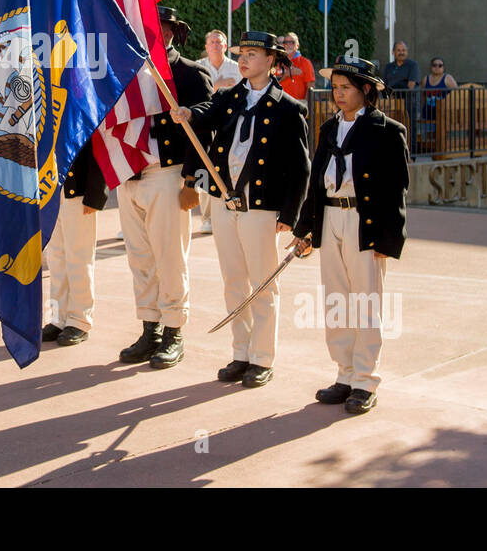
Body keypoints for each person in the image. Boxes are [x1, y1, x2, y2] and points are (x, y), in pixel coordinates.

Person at [174, 32, 310, 388]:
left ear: (272, 61)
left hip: (261, 208)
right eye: (243, 54)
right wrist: (189, 111)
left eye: (252, 54)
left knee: (262, 284)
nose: (245, 60)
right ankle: (241, 353)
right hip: (224, 202)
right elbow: (209, 112)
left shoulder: (288, 108)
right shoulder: (231, 96)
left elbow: (301, 169)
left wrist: (289, 216)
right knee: (234, 280)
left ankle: (263, 358)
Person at [291, 56, 409, 415]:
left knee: (366, 302)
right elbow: (316, 181)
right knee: (336, 299)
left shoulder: (387, 130)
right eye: (335, 88)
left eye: (345, 88)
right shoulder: (328, 128)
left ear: (367, 90)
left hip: (364, 221)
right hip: (331, 217)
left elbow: (396, 188)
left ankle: (364, 380)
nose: (337, 94)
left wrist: (388, 239)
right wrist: (306, 228)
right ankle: (343, 373)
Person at [117, 5, 214, 369]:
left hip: (168, 173)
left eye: (158, 28)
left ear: (172, 32)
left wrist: (193, 181)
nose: (150, 34)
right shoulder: (125, 70)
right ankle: (150, 328)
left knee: (170, 258)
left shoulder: (189, 73)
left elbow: (205, 131)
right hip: (131, 173)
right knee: (140, 260)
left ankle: (174, 331)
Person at [42, 142, 106, 346]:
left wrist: (96, 194)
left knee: (79, 258)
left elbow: (99, 143)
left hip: (78, 189)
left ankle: (79, 320)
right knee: (56, 258)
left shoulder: (78, 107)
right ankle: (58, 318)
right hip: (49, 190)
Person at [194, 31, 240, 233]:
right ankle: (207, 217)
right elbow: (196, 98)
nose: (215, 45)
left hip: (230, 127)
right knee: (204, 171)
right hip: (205, 127)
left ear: (225, 45)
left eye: (218, 42)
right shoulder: (198, 67)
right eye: (211, 41)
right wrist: (218, 86)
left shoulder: (237, 68)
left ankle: (230, 209)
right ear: (206, 46)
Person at [276, 32, 316, 103]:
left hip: (298, 104)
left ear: (297, 45)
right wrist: (286, 75)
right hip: (279, 104)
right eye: (286, 42)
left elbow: (310, 87)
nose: (288, 45)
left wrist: (306, 105)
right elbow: (271, 83)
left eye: (292, 42)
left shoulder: (305, 62)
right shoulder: (277, 63)